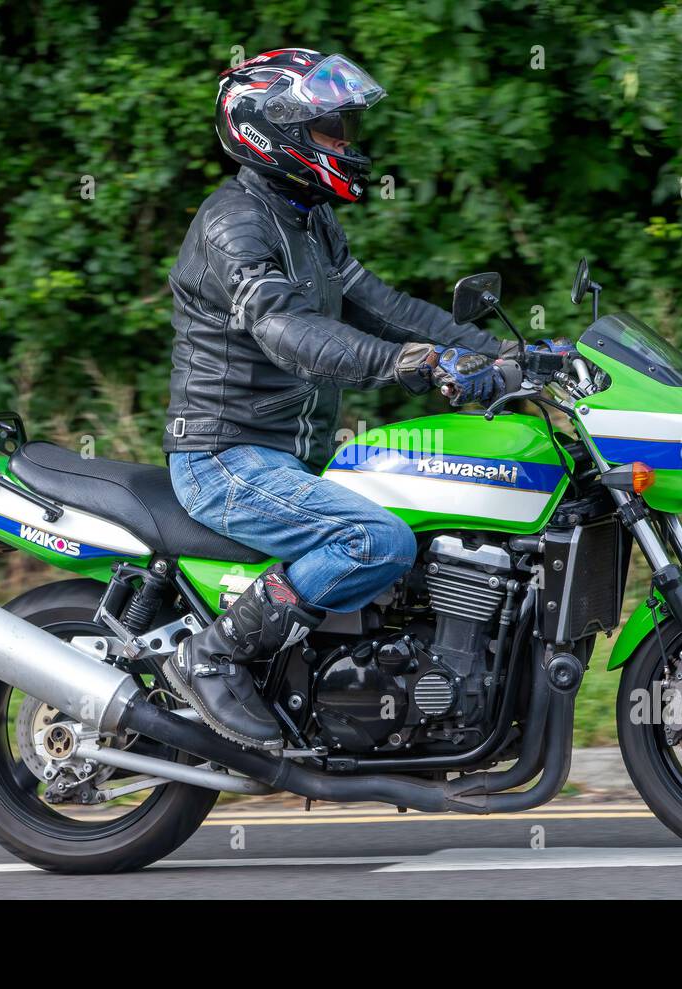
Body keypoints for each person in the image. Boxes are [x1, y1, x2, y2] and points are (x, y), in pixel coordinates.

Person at [161, 48, 563, 750]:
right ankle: (214, 655)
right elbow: (286, 331)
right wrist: (409, 364)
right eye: (330, 131)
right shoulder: (236, 224)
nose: (347, 145)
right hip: (224, 457)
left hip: (286, 456)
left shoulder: (309, 221)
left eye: (345, 129)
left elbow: (381, 306)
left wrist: (504, 353)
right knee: (377, 539)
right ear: (269, 130)